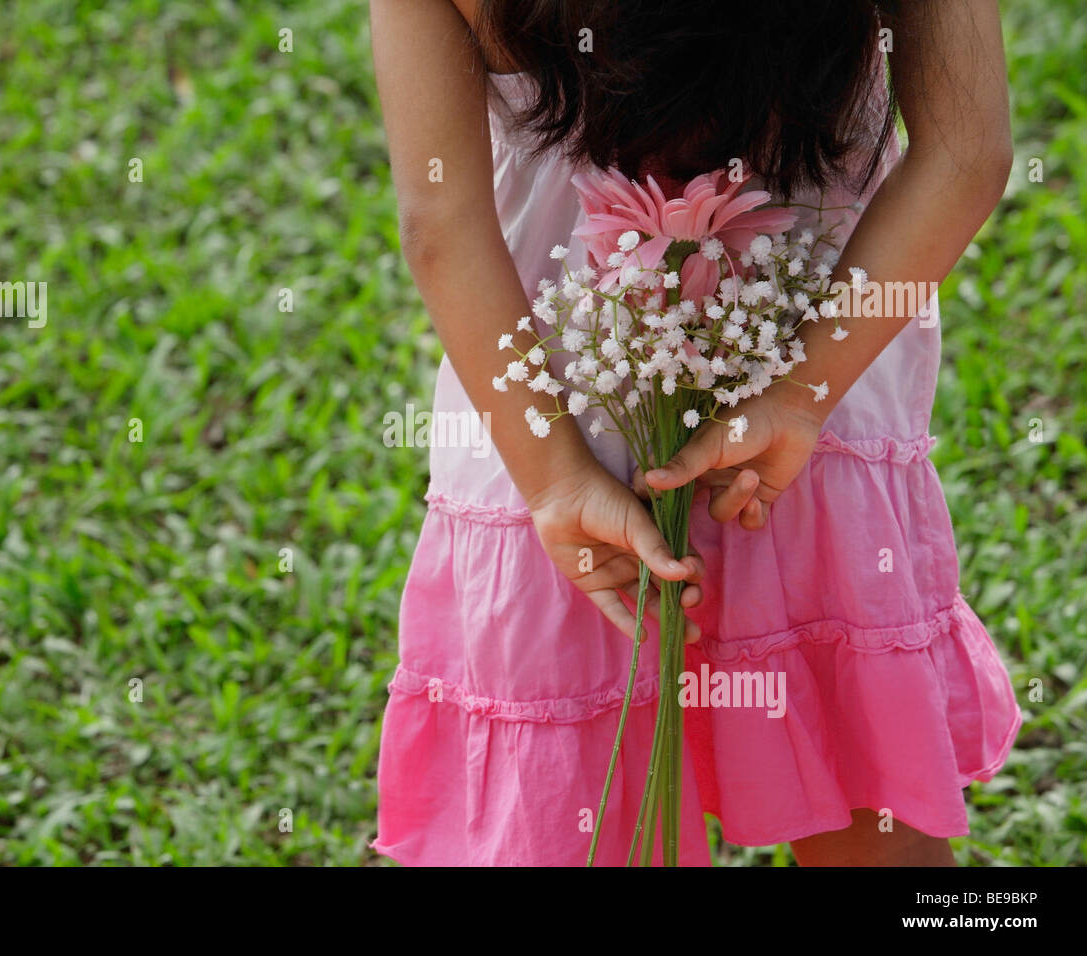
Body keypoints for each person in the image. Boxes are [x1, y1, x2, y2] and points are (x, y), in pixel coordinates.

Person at [369, 0, 1020, 866]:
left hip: (552, 413)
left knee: (581, 816)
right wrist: (798, 394)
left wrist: (555, 478)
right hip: (808, 421)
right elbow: (967, 156)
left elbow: (441, 224)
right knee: (864, 807)